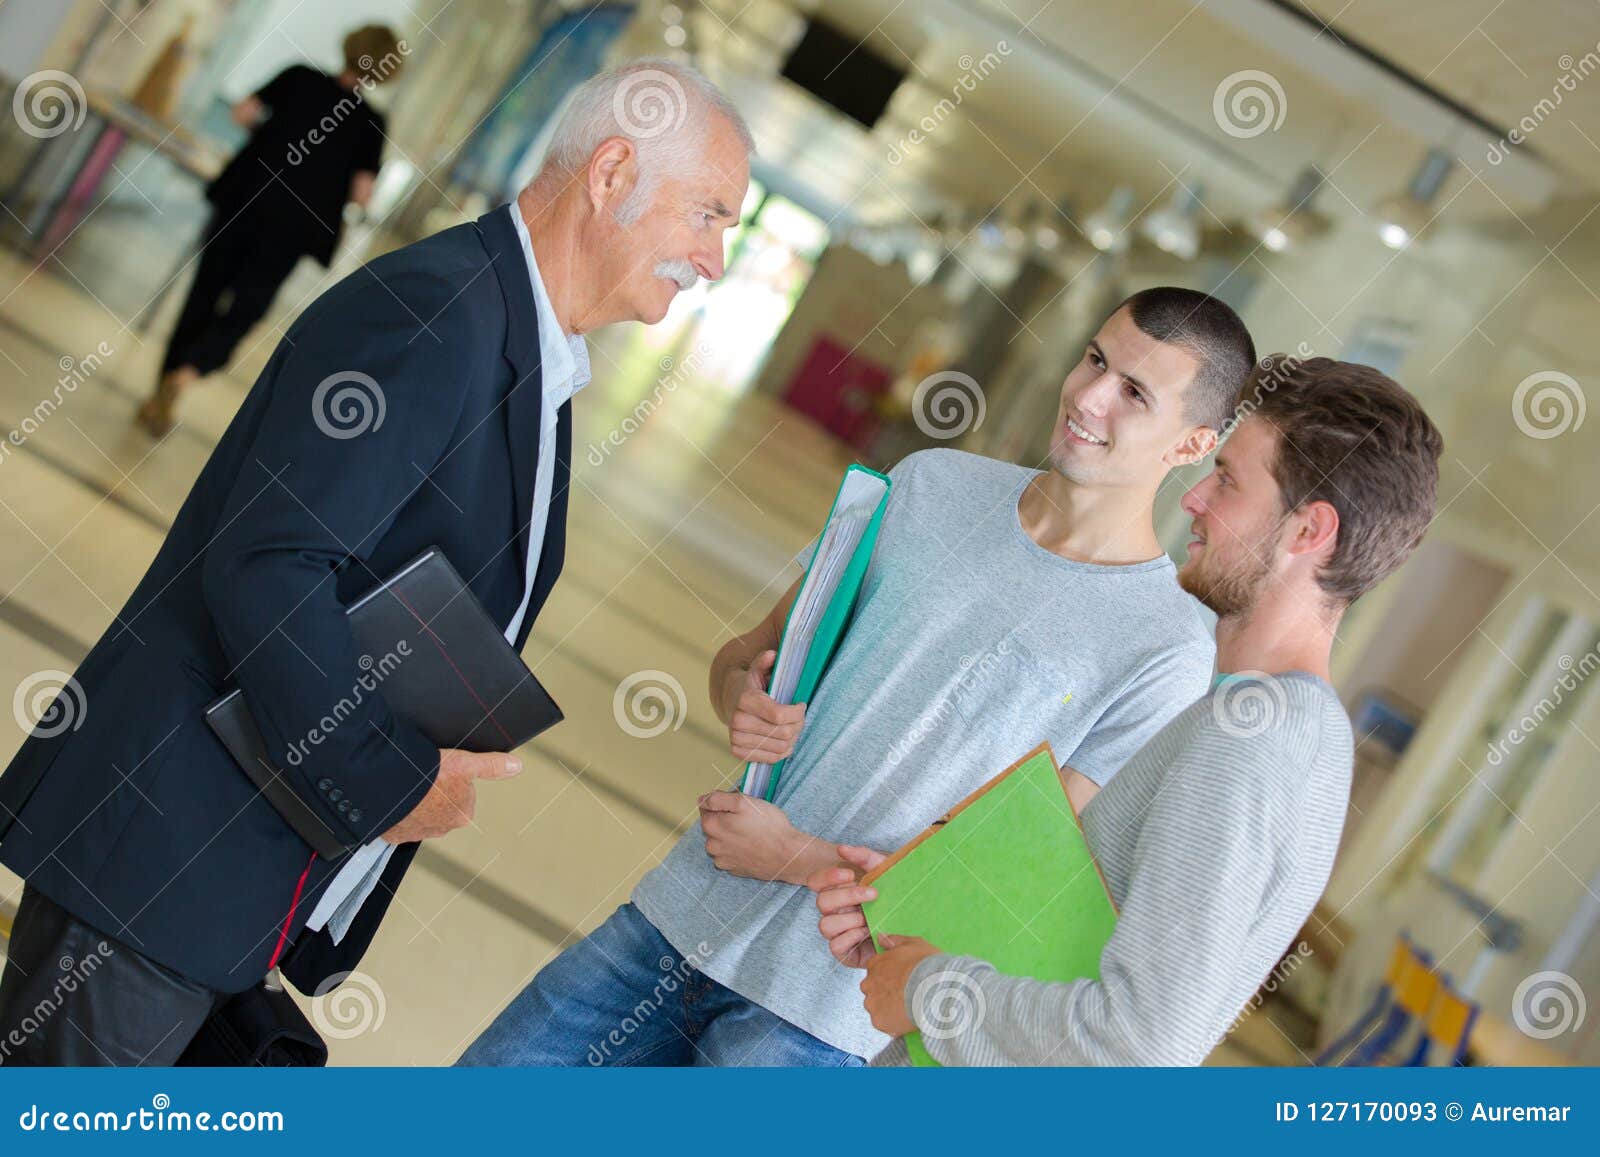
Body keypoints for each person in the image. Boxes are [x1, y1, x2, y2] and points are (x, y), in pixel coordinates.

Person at [0, 59, 753, 1065]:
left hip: (235, 876)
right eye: (708, 215)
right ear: (613, 173)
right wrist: (391, 783)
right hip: (160, 861)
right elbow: (270, 565)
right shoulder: (437, 314)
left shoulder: (522, 350)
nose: (712, 259)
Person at [457, 289, 1258, 1066]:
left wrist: (800, 859)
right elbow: (749, 654)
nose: (1088, 396)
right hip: (677, 919)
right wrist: (744, 696)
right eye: (1093, 359)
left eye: (1133, 392)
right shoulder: (929, 486)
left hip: (818, 1022)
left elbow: (999, 879)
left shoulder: (1166, 649)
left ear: (1192, 443)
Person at [811, 356, 1443, 1066]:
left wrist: (931, 988)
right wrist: (925, 906)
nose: (1195, 499)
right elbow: (1090, 945)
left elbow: (1137, 1042)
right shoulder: (1284, 727)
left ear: (1309, 531)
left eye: (1229, 479)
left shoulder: (1252, 741)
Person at [136, 25, 406, 436]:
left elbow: (242, 112)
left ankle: (163, 386)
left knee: (204, 292)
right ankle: (189, 373)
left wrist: (271, 138)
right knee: (249, 306)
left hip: (243, 200)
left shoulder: (298, 77)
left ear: (349, 47)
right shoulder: (372, 122)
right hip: (295, 228)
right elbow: (362, 194)